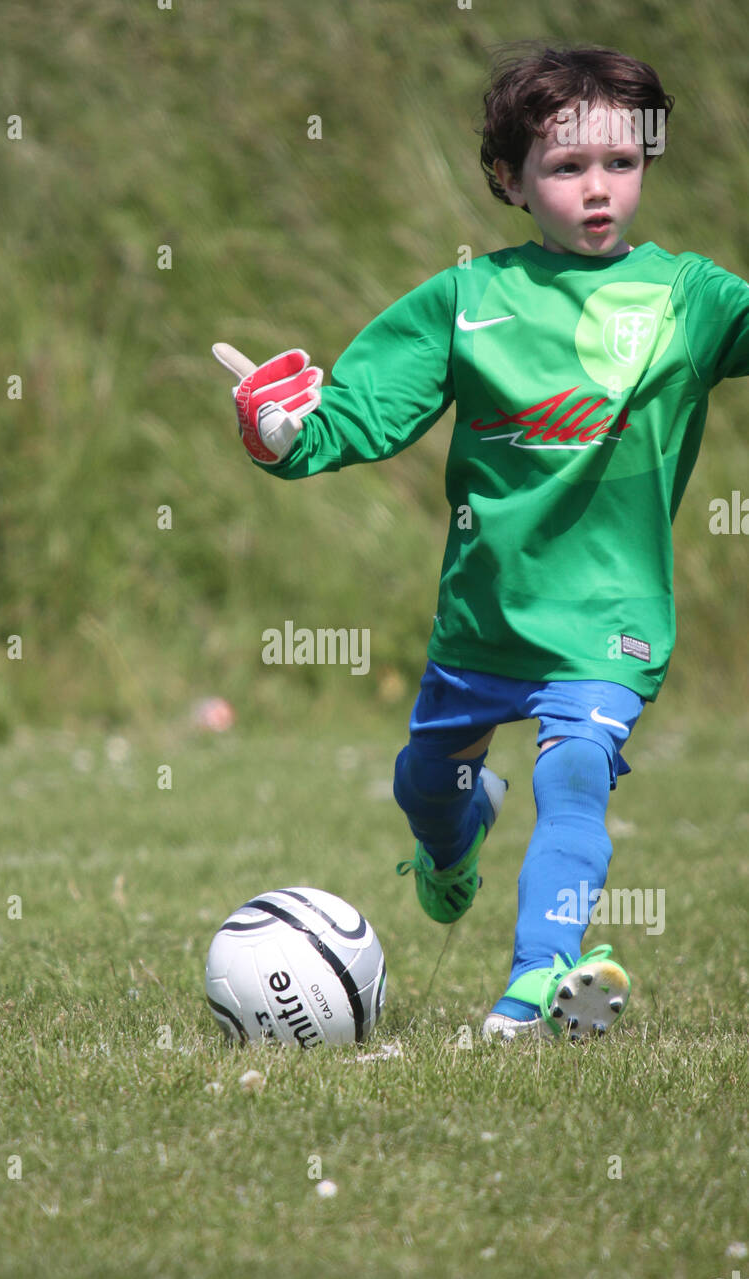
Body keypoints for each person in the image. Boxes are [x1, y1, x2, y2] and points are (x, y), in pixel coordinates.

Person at [212, 43, 749, 1041]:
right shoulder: (468, 301)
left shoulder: (691, 298)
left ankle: (538, 985)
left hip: (608, 621)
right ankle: (451, 846)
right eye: (564, 167)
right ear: (507, 179)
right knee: (427, 784)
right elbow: (360, 409)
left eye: (620, 163)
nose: (598, 188)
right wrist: (283, 432)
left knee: (575, 770)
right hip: (481, 621)